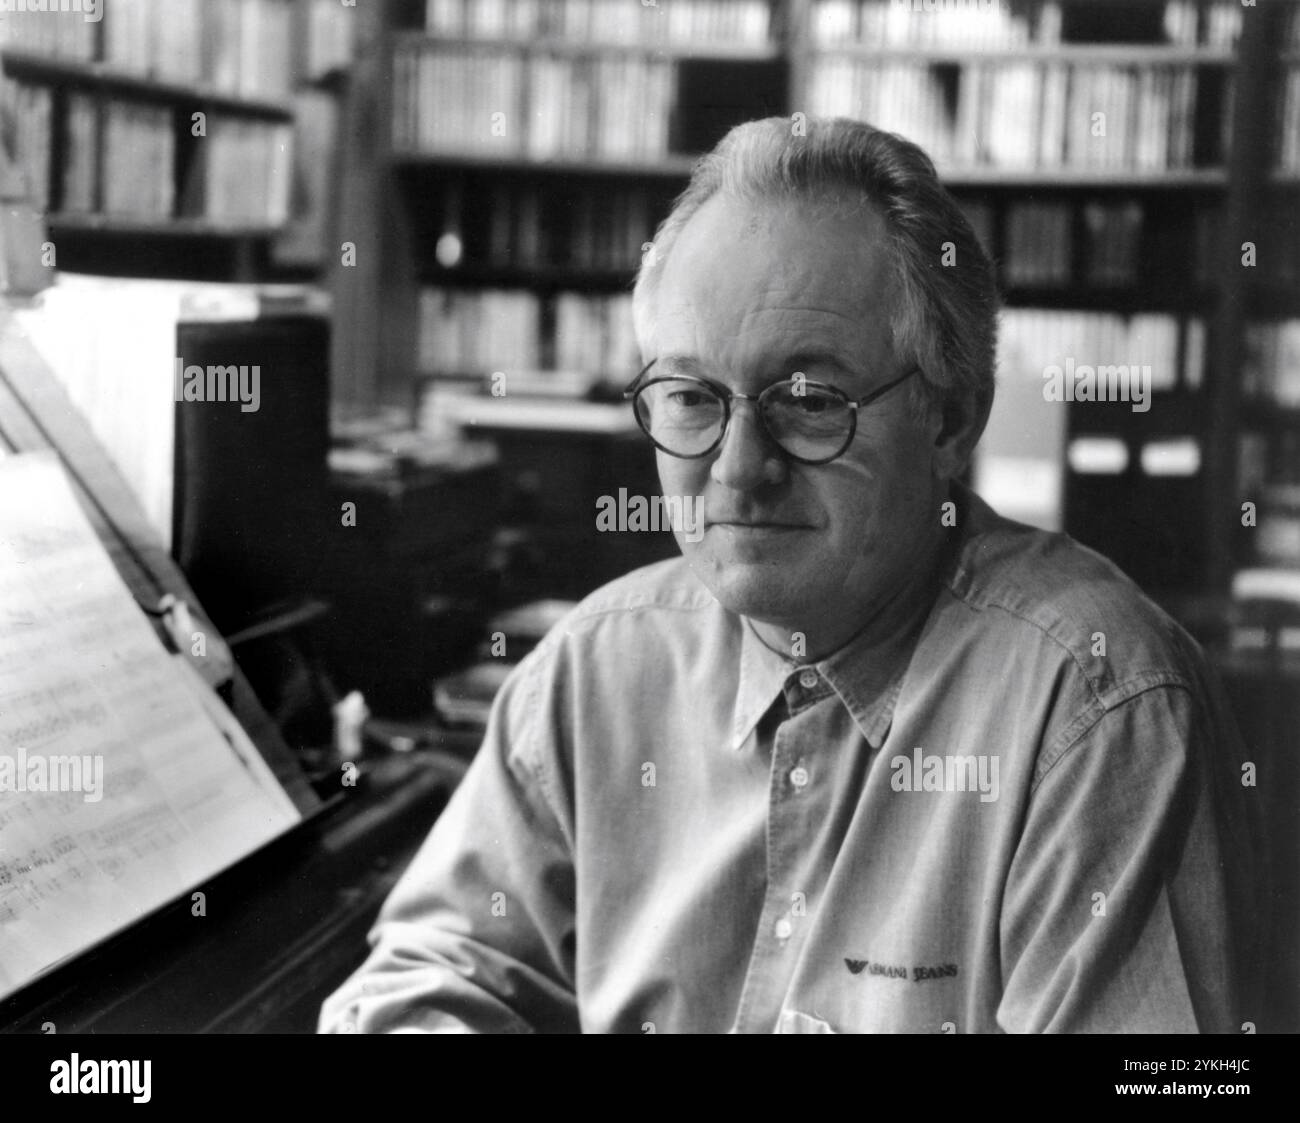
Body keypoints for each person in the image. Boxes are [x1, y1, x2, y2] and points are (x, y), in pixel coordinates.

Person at [319, 117, 1258, 1034]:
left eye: (808, 401)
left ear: (950, 421)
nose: (735, 468)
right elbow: (431, 973)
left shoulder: (1098, 703)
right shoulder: (590, 670)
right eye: (690, 397)